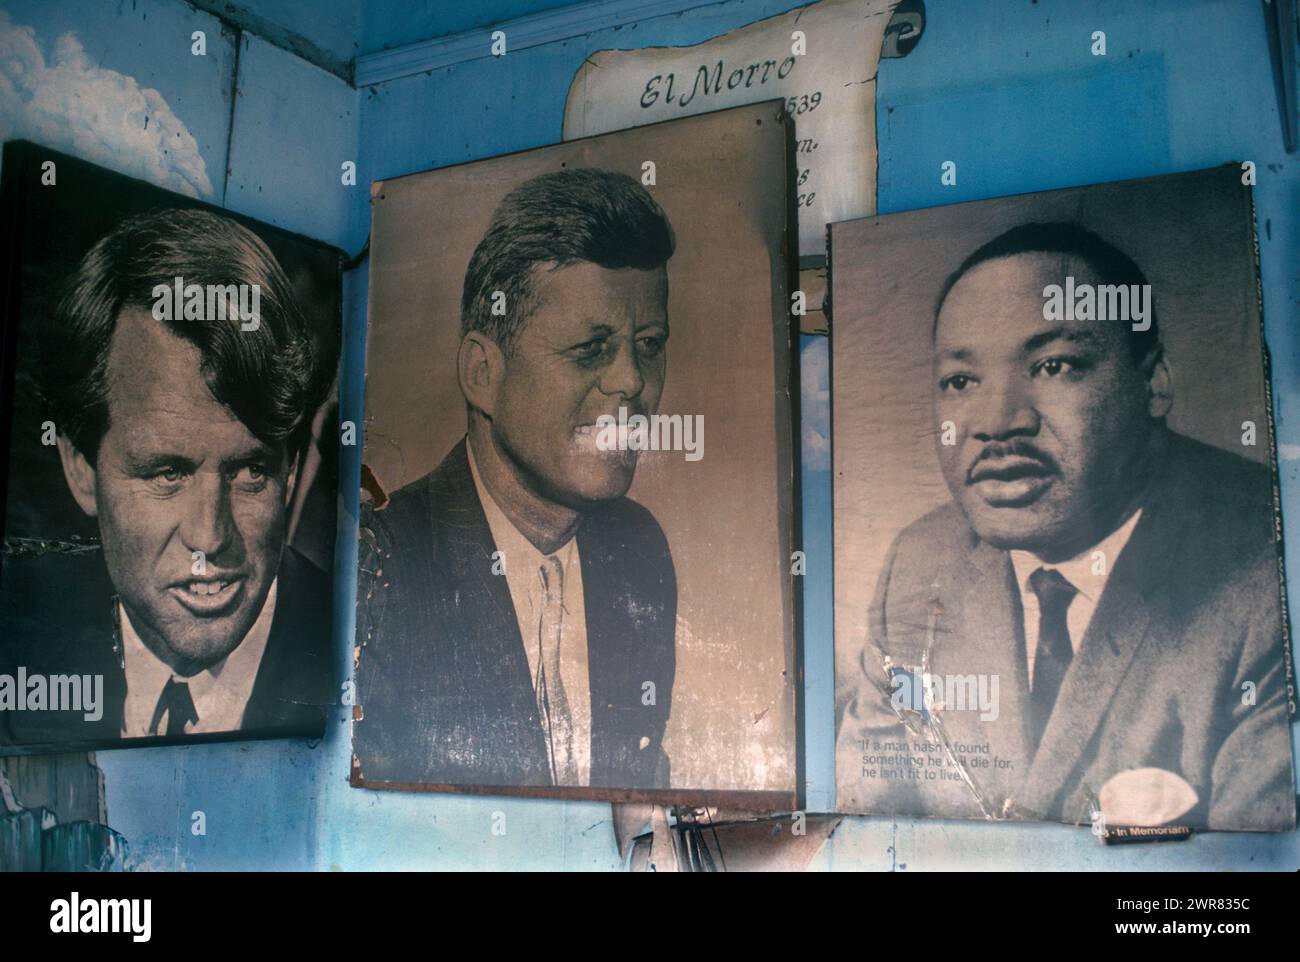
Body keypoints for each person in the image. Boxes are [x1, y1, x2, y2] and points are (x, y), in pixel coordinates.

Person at [836, 222, 1294, 831]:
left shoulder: (1270, 575)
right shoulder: (921, 564)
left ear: (1153, 383)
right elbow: (864, 825)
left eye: (1054, 365)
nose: (997, 423)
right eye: (961, 381)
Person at [354, 168, 678, 790]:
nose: (631, 381)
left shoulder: (639, 550)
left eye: (650, 343)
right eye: (590, 348)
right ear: (483, 374)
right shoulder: (383, 562)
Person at [1, 207, 336, 748]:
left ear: (292, 470)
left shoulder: (370, 661)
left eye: (251, 471)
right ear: (80, 466)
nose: (209, 539)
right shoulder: (17, 639)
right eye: (167, 473)